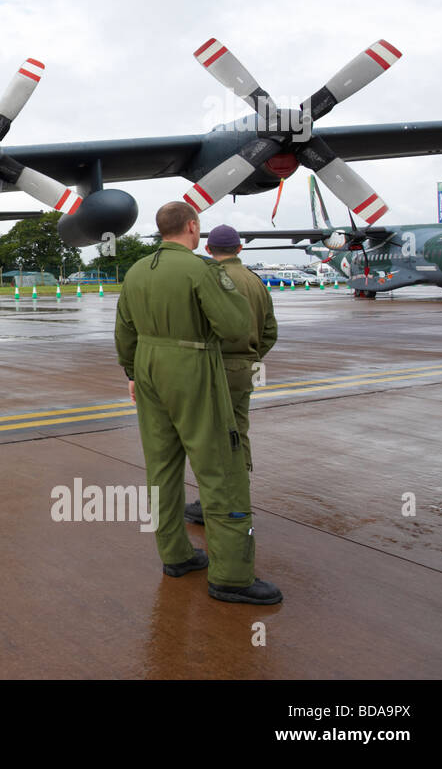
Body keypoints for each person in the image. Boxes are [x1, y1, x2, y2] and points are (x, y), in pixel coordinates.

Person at [114, 201, 283, 605]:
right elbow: (234, 325)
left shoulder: (137, 270)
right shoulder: (199, 270)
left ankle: (175, 554)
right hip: (191, 365)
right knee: (221, 467)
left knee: (162, 466)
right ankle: (232, 576)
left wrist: (134, 373)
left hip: (147, 368)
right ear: (192, 228)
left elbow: (124, 332)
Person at [185, 225, 278, 526]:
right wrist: (251, 356)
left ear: (208, 250)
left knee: (211, 437)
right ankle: (239, 494)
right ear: (240, 249)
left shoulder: (210, 278)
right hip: (245, 370)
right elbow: (270, 332)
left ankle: (212, 502)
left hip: (214, 369)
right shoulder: (255, 280)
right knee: (238, 431)